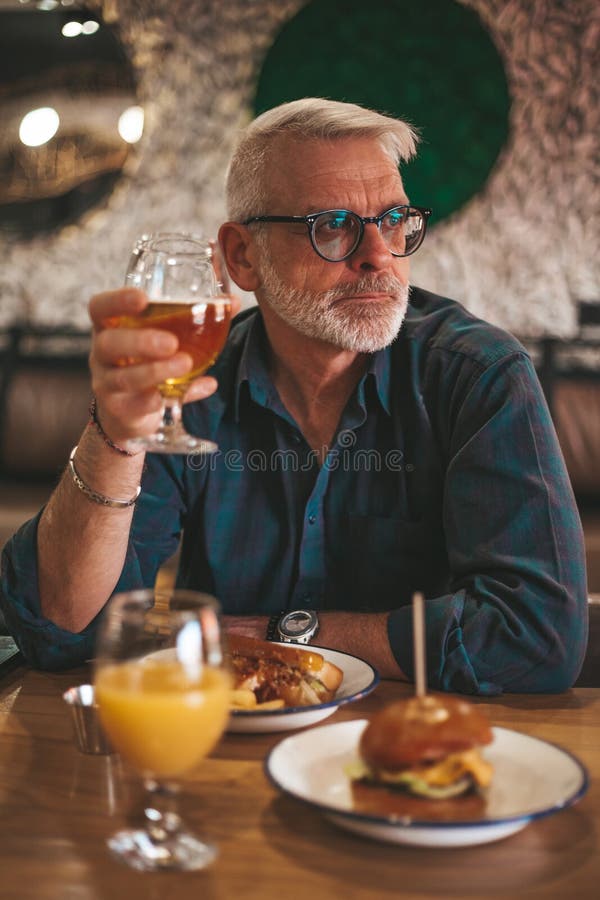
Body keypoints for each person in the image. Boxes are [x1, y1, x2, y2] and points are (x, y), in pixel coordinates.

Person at [0, 98, 588, 693]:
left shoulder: (476, 374)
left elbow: (538, 637)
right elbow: (61, 630)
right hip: (224, 747)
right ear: (242, 257)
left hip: (416, 744)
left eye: (392, 219)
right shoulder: (192, 384)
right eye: (332, 224)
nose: (378, 254)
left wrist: (273, 633)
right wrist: (114, 437)